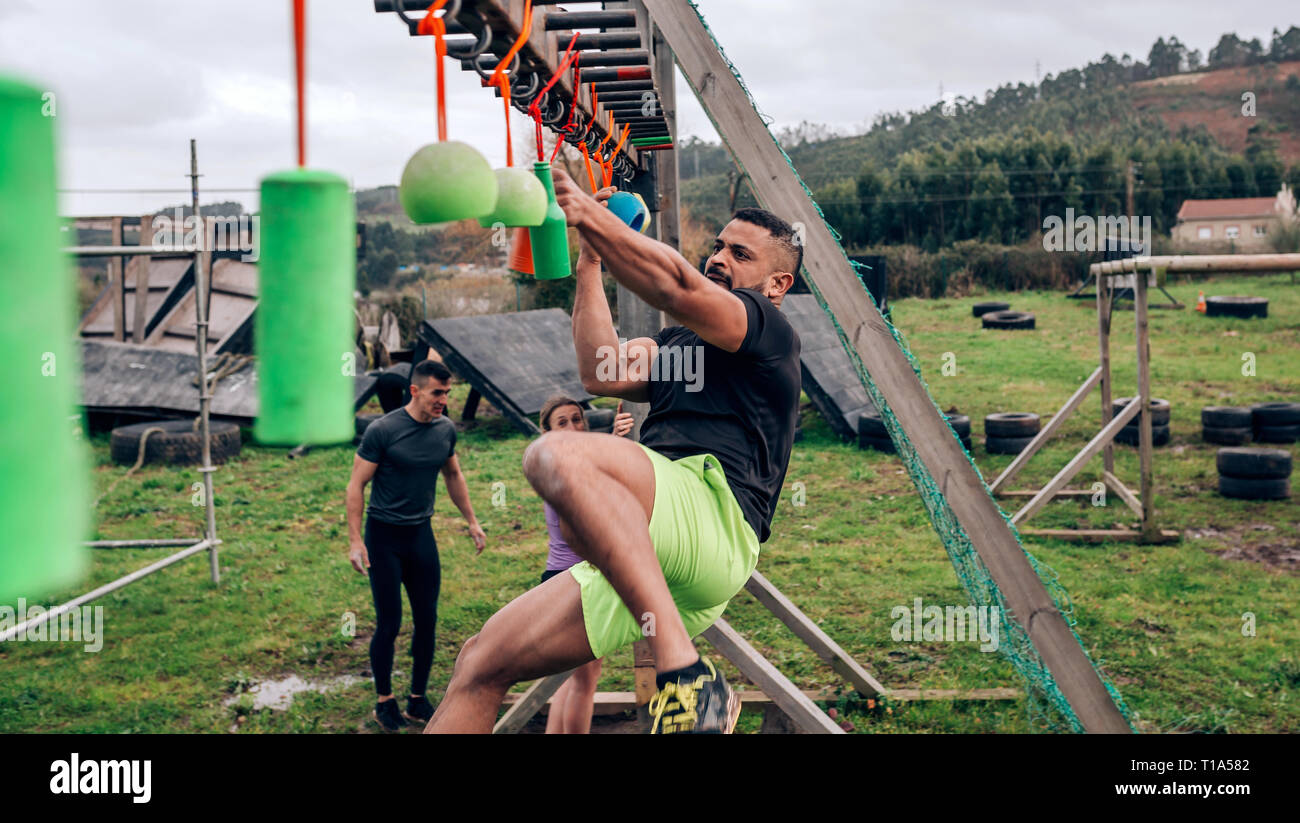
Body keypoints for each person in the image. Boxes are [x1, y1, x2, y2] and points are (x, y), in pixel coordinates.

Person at [425, 172, 801, 735]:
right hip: (653, 555)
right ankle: (686, 671)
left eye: (739, 253)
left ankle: (682, 670)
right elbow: (600, 369)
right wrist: (590, 265)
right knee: (480, 662)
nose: (719, 257)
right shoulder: (678, 344)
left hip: (712, 518)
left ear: (776, 284)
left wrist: (588, 213)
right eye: (718, 246)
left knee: (557, 456)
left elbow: (676, 287)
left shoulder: (766, 328)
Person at [345, 359, 487, 732]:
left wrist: (472, 520)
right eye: (437, 393)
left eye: (447, 393)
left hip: (420, 536)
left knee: (428, 619)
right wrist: (356, 540)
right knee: (389, 622)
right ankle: (384, 701)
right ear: (415, 391)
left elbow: (453, 474)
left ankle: (417, 699)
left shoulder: (444, 430)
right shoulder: (383, 430)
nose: (443, 400)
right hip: (384, 537)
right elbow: (355, 485)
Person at [535, 395, 634, 734]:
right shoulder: (559, 465)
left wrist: (617, 444)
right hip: (577, 579)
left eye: (577, 419)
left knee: (568, 681)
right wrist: (619, 448)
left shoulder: (561, 460)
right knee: (584, 683)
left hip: (559, 578)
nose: (574, 426)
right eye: (562, 422)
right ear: (546, 432)